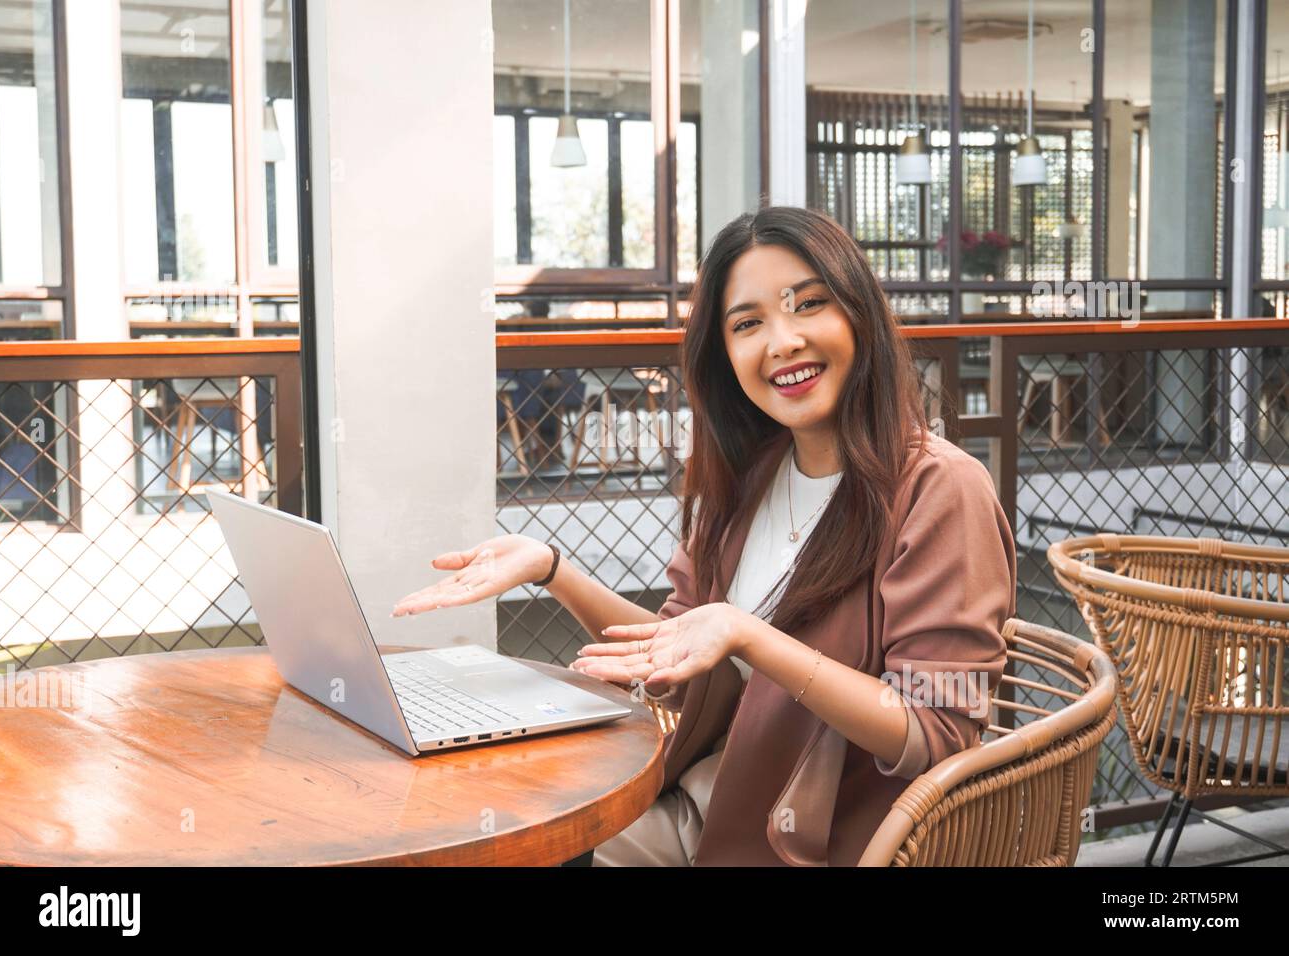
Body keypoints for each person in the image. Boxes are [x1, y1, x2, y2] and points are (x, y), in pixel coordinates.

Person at [392, 206, 1017, 866]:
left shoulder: (940, 488)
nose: (782, 342)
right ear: (725, 355)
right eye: (748, 324)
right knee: (463, 830)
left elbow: (935, 731)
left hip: (816, 842)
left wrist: (750, 636)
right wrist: (551, 568)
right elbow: (678, 660)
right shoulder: (753, 476)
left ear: (860, 314)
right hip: (698, 799)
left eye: (808, 305)